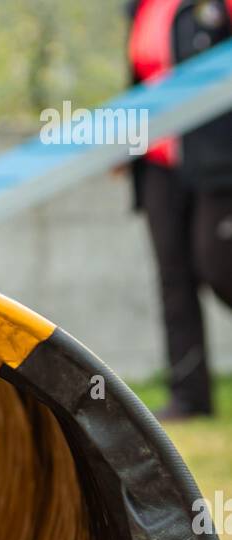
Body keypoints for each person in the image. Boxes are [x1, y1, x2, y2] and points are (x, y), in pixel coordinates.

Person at [128, 0, 232, 418]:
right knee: (174, 279)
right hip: (157, 160)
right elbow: (139, 77)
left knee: (220, 266)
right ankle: (190, 397)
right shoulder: (140, 6)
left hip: (219, 161)